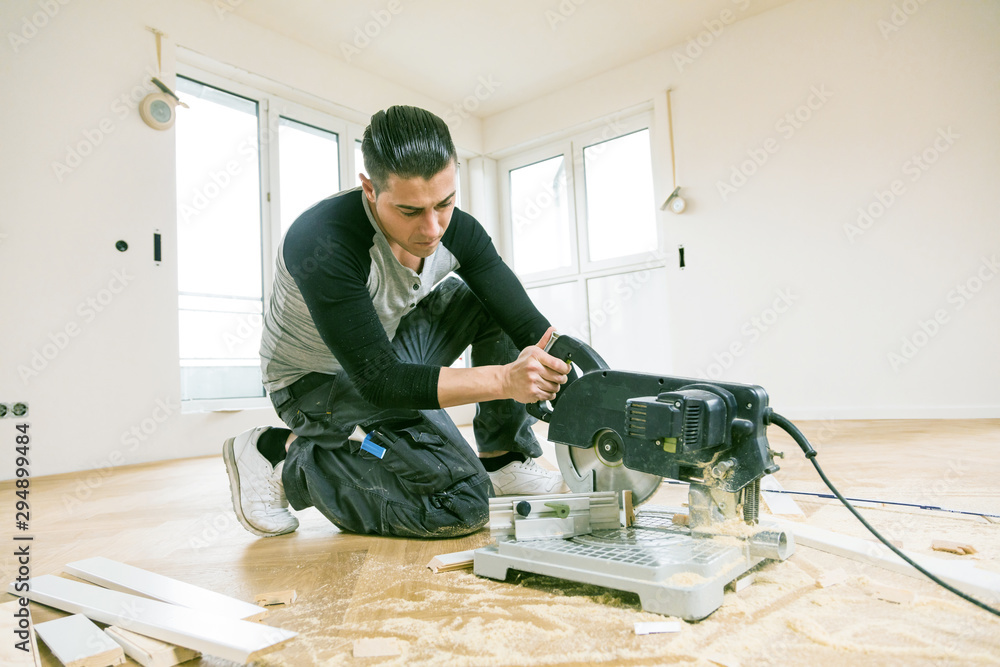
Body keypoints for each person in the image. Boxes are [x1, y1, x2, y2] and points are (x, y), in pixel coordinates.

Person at [223, 105, 573, 539]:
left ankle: (503, 459)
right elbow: (380, 380)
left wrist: (596, 391)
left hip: (384, 354)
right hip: (313, 385)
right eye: (410, 211)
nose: (432, 228)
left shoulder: (457, 230)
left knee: (489, 303)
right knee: (460, 504)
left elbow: (531, 329)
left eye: (444, 203)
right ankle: (281, 454)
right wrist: (505, 380)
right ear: (370, 189)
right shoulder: (322, 240)